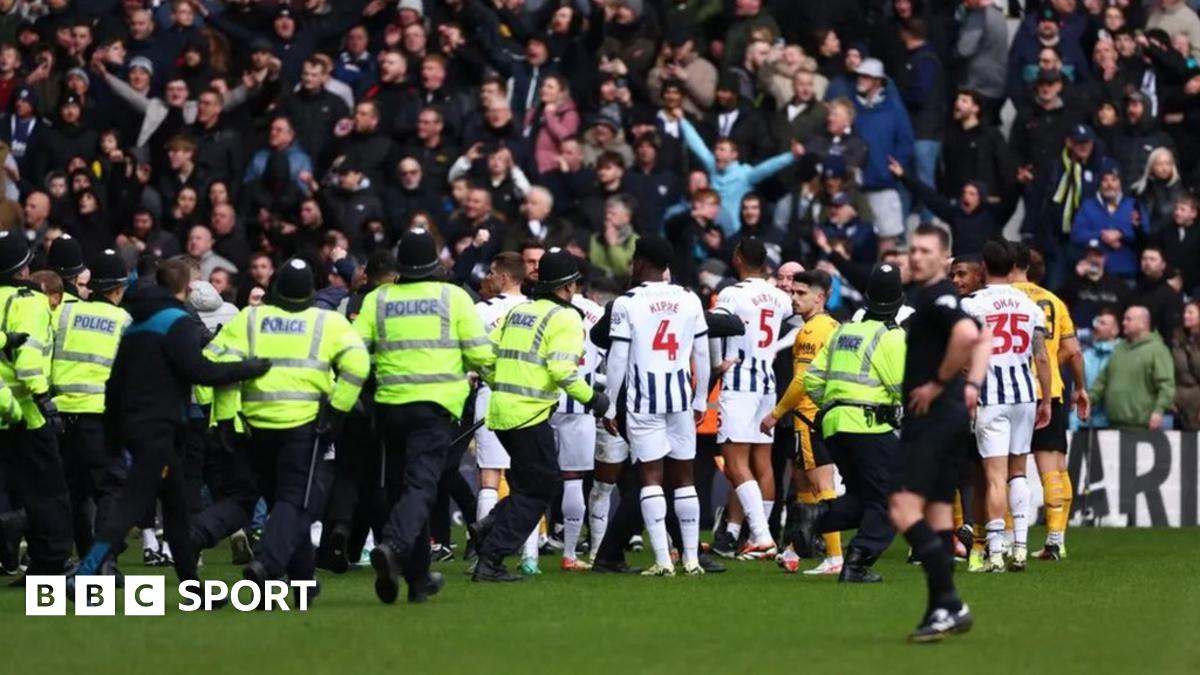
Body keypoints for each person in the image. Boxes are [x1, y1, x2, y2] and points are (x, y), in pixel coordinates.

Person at [71, 257, 272, 589]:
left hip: (136, 426)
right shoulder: (176, 321)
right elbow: (199, 371)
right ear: (187, 288)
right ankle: (85, 573)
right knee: (130, 506)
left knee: (178, 514)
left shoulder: (136, 324)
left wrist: (112, 433)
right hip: (159, 429)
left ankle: (192, 586)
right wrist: (246, 369)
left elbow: (115, 382)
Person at [207, 258, 369, 596]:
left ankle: (304, 581)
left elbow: (216, 363)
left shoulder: (250, 318)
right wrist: (338, 409)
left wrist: (224, 416)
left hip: (255, 427)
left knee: (283, 502)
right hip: (304, 427)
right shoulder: (328, 322)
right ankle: (267, 564)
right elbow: (358, 364)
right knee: (295, 503)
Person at [355, 228, 496, 602]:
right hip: (435, 407)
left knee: (405, 489)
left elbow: (355, 350)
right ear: (435, 263)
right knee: (422, 488)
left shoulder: (379, 299)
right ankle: (393, 546)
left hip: (389, 406)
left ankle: (418, 581)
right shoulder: (452, 297)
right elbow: (480, 354)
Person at [470, 248, 608, 582]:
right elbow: (563, 371)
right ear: (569, 286)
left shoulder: (520, 310)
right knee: (539, 489)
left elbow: (485, 353)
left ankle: (487, 526)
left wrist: (497, 380)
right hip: (528, 415)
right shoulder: (566, 318)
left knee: (525, 484)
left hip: (501, 409)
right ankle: (491, 557)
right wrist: (594, 400)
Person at [889, 224, 992, 642]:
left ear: (943, 259)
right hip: (950, 416)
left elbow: (969, 337)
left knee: (900, 509)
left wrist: (937, 382)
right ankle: (940, 612)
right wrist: (970, 386)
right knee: (937, 517)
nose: (915, 256)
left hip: (932, 418)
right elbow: (983, 339)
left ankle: (951, 601)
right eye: (912, 249)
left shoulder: (935, 298)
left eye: (925, 251)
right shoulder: (943, 298)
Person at [601, 236, 709, 577]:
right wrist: (702, 396)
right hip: (680, 398)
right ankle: (691, 559)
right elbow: (702, 353)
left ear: (642, 262)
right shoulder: (689, 298)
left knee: (650, 478)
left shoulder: (627, 302)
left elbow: (618, 358)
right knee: (685, 477)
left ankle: (664, 562)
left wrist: (608, 405)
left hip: (644, 400)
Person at [802, 263, 906, 583]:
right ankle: (857, 562)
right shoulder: (891, 336)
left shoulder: (844, 330)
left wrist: (834, 405)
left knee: (864, 499)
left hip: (833, 425)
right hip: (869, 425)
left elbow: (812, 380)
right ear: (898, 303)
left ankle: (811, 517)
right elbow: (903, 386)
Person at [960, 241, 1053, 573]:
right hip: (1024, 394)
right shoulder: (1030, 306)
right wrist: (1045, 399)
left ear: (983, 267)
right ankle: (1021, 548)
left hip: (991, 395)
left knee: (994, 476)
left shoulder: (971, 305)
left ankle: (996, 552)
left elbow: (964, 357)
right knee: (1018, 473)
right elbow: (1040, 355)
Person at [710, 238, 793, 560]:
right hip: (767, 380)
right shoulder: (779, 297)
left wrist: (718, 365)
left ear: (737, 258)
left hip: (740, 378)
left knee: (734, 461)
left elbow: (715, 326)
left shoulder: (732, 292)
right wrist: (776, 347)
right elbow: (802, 323)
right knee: (763, 462)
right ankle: (758, 534)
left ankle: (762, 537)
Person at [49, 249, 131, 561]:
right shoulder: (122, 320)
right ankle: (102, 561)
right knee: (110, 490)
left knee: (75, 494)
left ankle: (87, 558)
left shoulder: (64, 314)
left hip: (61, 415)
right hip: (98, 417)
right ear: (118, 288)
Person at [760, 269, 843, 575]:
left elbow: (803, 381)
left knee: (823, 487)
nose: (793, 298)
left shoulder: (809, 332)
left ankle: (835, 557)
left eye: (800, 293)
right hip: (823, 415)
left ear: (819, 297)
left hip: (809, 417)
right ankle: (793, 549)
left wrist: (776, 413)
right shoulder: (834, 326)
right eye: (792, 292)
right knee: (805, 486)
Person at [0, 230, 73, 579]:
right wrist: (45, 401)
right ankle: (49, 563)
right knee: (48, 491)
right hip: (25, 413)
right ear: (23, 269)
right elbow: (28, 363)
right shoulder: (29, 302)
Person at [1011, 244, 1089, 561]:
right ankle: (1056, 540)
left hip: (1010, 390)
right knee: (1054, 466)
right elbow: (1074, 351)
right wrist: (1079, 387)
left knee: (1003, 468)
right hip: (1050, 391)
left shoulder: (999, 297)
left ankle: (1000, 540)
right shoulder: (1055, 303)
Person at [470, 253, 540, 576]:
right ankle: (530, 557)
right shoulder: (535, 311)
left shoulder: (481, 311)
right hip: (530, 400)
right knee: (527, 482)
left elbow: (471, 356)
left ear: (504, 277)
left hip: (492, 396)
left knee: (490, 477)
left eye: (493, 272)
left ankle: (481, 552)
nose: (489, 277)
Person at [551, 285, 603, 572]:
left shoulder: (542, 308)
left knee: (530, 479)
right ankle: (570, 554)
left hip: (541, 402)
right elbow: (611, 355)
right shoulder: (596, 312)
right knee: (573, 479)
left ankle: (530, 555)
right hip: (581, 405)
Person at [1090, 306, 1176, 431]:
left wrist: (1159, 410)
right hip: (1113, 425)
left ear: (1142, 323)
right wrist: (1089, 400)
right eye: (1124, 319)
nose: (1123, 323)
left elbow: (1166, 385)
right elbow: (1102, 380)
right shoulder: (1119, 348)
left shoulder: (1157, 350)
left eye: (1128, 319)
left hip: (1144, 428)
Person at [1172, 302, 1200, 431]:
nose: (1185, 316)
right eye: (1184, 312)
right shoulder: (1177, 338)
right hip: (1179, 403)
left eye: (1190, 312)